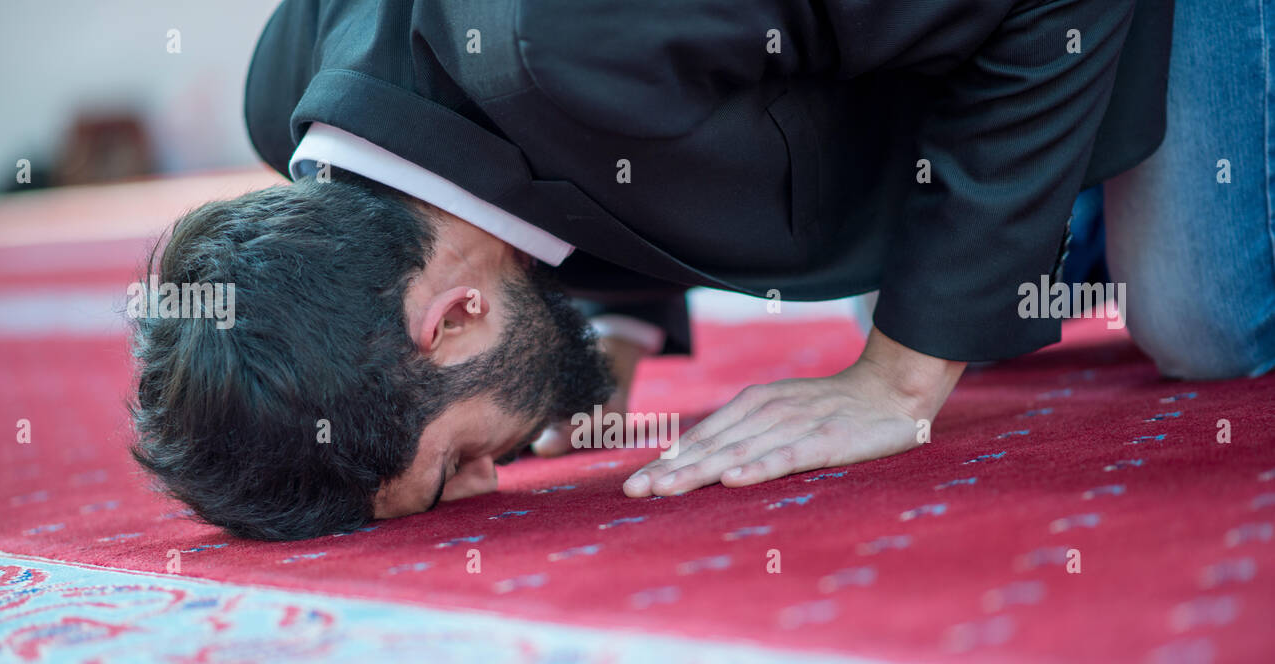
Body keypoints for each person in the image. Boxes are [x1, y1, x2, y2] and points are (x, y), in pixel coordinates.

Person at [134, 0, 1236, 543]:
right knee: (950, 278)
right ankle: (1061, 207)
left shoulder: (576, 28)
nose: (486, 481)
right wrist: (608, 332)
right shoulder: (295, 102)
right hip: (897, 73)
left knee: (1202, 322)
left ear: (455, 317)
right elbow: (548, 158)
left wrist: (898, 378)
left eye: (453, 460)